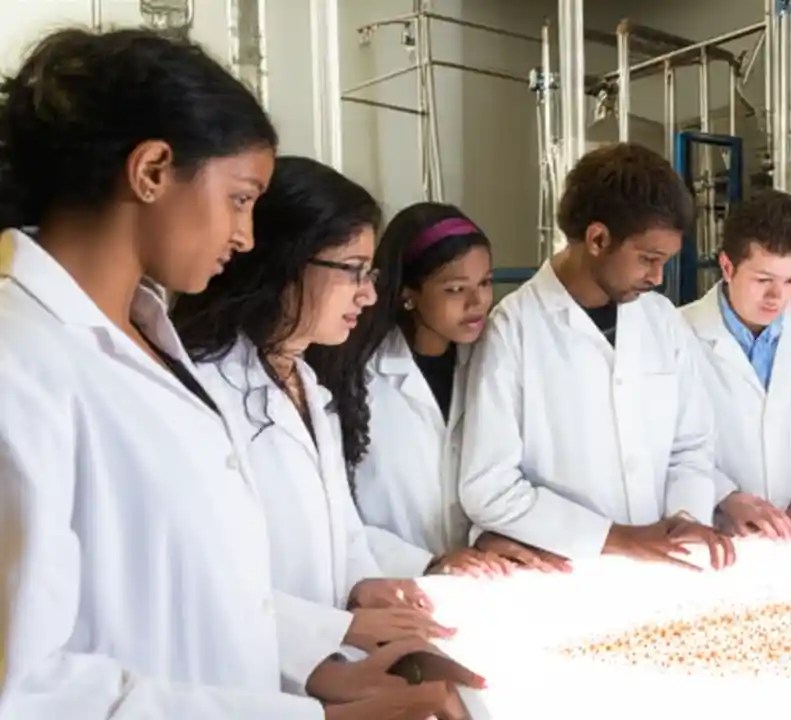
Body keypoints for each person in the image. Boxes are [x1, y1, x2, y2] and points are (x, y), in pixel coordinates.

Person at [0, 28, 464, 719]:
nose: (246, 237)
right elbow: (26, 690)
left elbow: (205, 594)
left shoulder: (143, 339)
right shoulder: (20, 356)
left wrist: (322, 663)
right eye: (240, 198)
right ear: (152, 171)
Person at [171, 157, 471, 692]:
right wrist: (337, 627)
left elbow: (343, 530)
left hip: (328, 667)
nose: (369, 294)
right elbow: (194, 583)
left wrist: (365, 586)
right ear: (284, 264)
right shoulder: (201, 392)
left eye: (371, 272)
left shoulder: (306, 382)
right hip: (247, 682)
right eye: (352, 269)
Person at [457, 143, 735, 569]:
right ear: (598, 239)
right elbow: (489, 488)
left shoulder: (662, 322)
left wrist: (683, 519)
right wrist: (613, 538)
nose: (658, 279)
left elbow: (691, 446)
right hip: (569, 574)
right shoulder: (513, 331)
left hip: (666, 565)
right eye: (648, 259)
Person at [328, 202, 567, 576]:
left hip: (480, 578)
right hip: (385, 584)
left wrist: (485, 538)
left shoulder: (493, 361)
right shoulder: (357, 376)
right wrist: (428, 563)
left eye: (486, 283)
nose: (478, 303)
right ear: (410, 293)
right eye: (456, 289)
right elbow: (337, 515)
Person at [680, 189, 791, 539]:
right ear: (727, 267)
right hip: (713, 535)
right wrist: (726, 497)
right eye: (764, 280)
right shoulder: (678, 335)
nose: (778, 297)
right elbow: (665, 446)